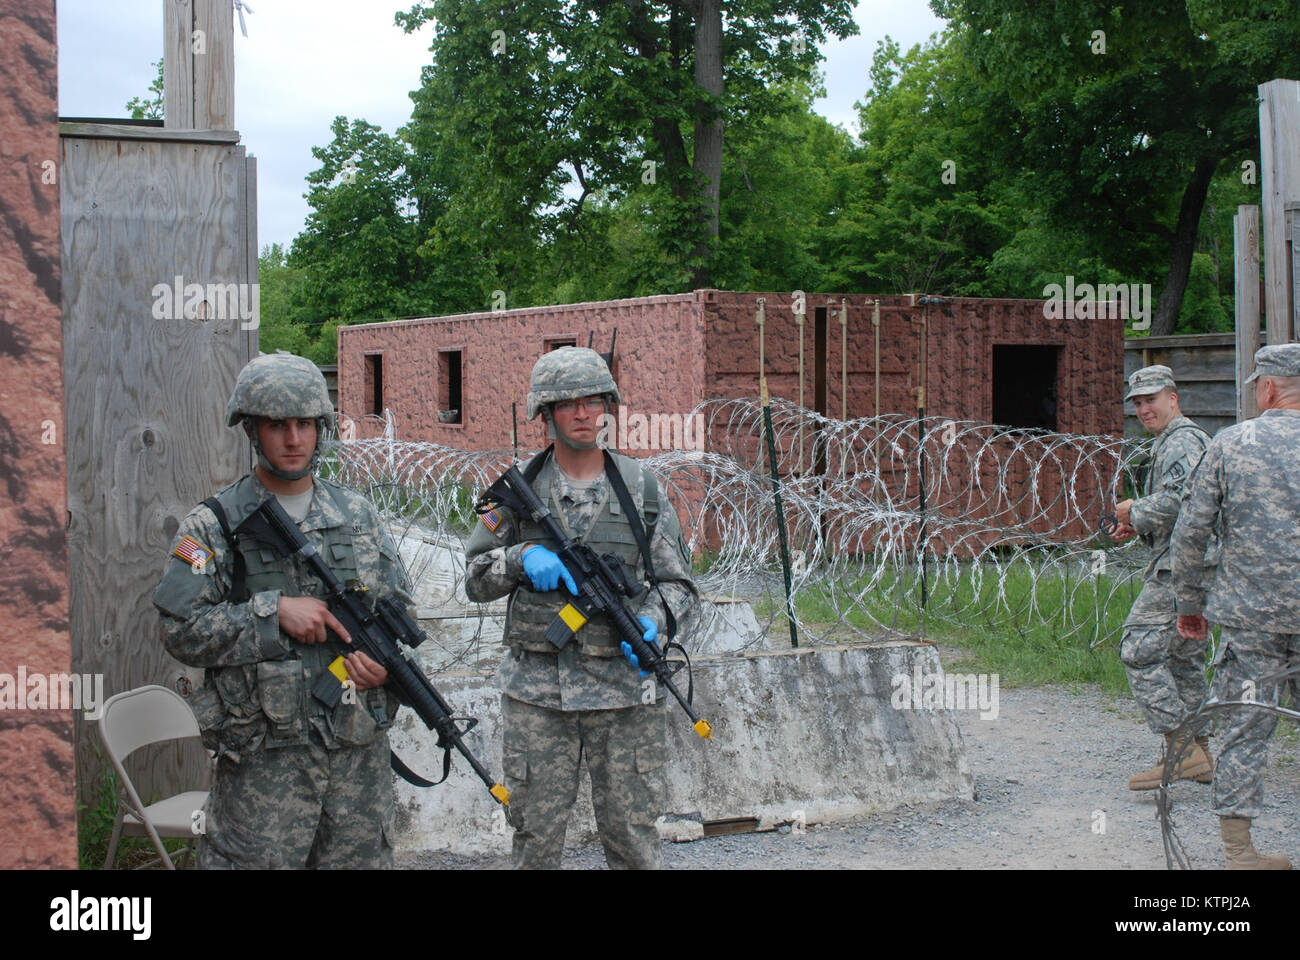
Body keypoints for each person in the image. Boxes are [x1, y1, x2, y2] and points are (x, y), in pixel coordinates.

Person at [153, 351, 411, 869]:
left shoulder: (357, 514)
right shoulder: (212, 526)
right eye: (277, 425)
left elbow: (398, 612)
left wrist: (386, 668)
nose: (293, 439)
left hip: (356, 761)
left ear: (321, 429)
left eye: (305, 424)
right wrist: (271, 615)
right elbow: (181, 631)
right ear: (252, 430)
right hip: (265, 772)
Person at [464, 347, 698, 869]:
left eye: (594, 401)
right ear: (545, 414)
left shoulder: (643, 491)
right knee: (536, 841)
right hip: (537, 697)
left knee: (633, 840)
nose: (584, 414)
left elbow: (680, 587)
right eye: (568, 404)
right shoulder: (516, 494)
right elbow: (474, 579)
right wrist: (521, 556)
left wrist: (653, 624)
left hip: (625, 697)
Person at [1171, 343, 1300, 870]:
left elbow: (1191, 532)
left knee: (1247, 728)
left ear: (1267, 388)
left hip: (1251, 619)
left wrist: (1188, 603)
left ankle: (1239, 852)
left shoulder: (1232, 441)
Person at [1111, 365, 1215, 790]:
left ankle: (1182, 749)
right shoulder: (1178, 441)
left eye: (1151, 399)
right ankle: (1200, 753)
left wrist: (1133, 511)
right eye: (1137, 402)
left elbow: (1180, 498)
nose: (1143, 408)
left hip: (1182, 566)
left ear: (1173, 398)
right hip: (1197, 561)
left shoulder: (1182, 442)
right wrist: (1141, 525)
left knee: (1137, 648)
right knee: (1183, 658)